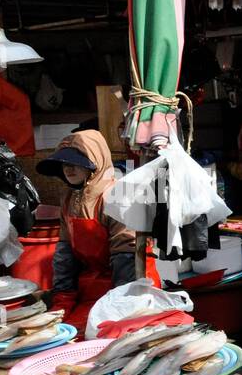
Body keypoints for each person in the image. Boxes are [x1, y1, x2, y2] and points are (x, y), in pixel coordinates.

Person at [37, 130, 158, 331]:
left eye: (76, 162)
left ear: (95, 163)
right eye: (65, 163)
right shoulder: (68, 198)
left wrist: (119, 307)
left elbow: (126, 257)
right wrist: (63, 298)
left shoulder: (118, 196)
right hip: (92, 287)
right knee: (62, 332)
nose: (68, 168)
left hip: (130, 290)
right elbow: (65, 254)